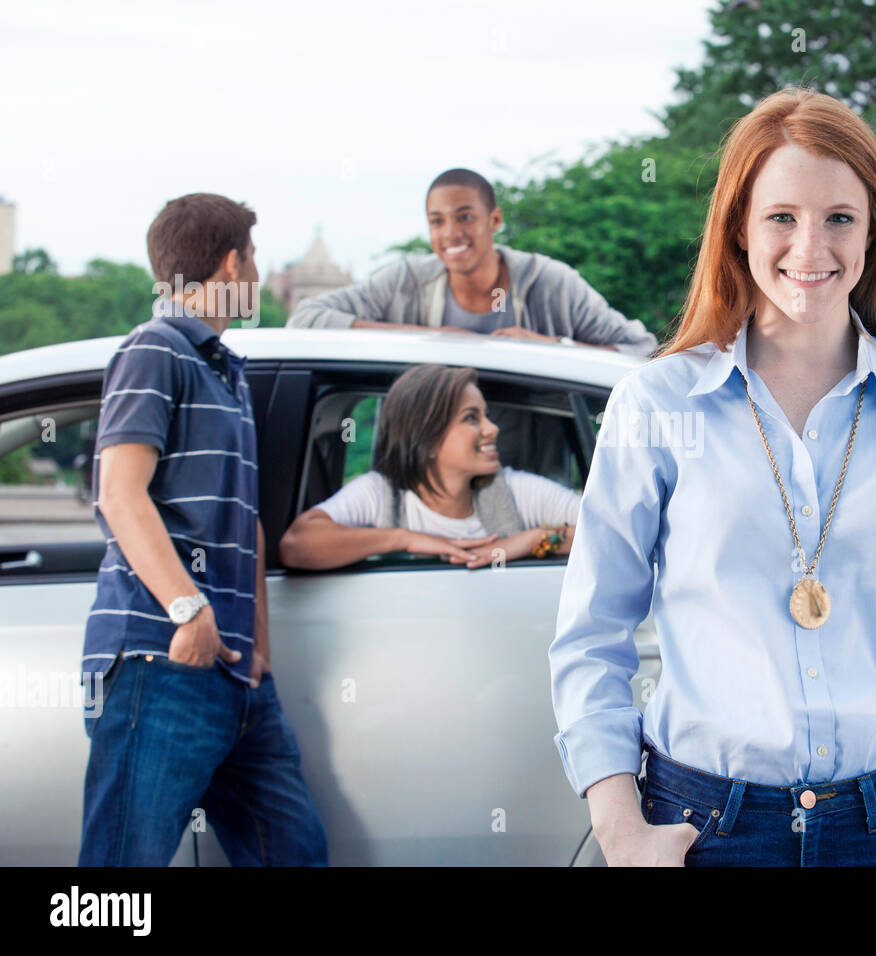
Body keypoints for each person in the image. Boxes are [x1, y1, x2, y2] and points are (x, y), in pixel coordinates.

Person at [548, 88, 876, 867]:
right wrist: (622, 832)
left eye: (839, 218)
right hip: (705, 825)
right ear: (739, 229)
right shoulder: (655, 403)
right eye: (782, 216)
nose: (809, 246)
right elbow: (593, 634)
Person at [80, 193, 328, 866]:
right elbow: (120, 493)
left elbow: (242, 523)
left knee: (294, 854)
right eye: (253, 258)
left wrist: (260, 653)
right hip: (161, 659)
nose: (256, 272)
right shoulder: (152, 350)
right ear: (230, 263)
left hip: (237, 675)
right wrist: (189, 610)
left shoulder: (228, 371)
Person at [286, 168, 658, 356]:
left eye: (465, 217)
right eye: (437, 221)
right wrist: (431, 337)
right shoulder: (406, 281)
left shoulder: (553, 284)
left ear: (494, 221)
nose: (451, 234)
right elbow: (304, 319)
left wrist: (550, 347)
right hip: (426, 479)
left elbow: (642, 351)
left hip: (531, 478)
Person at [278, 364, 580, 571]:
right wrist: (404, 539)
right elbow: (296, 545)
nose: (493, 429)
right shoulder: (380, 493)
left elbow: (613, 531)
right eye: (471, 418)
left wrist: (533, 539)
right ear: (428, 438)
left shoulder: (516, 490)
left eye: (486, 415)